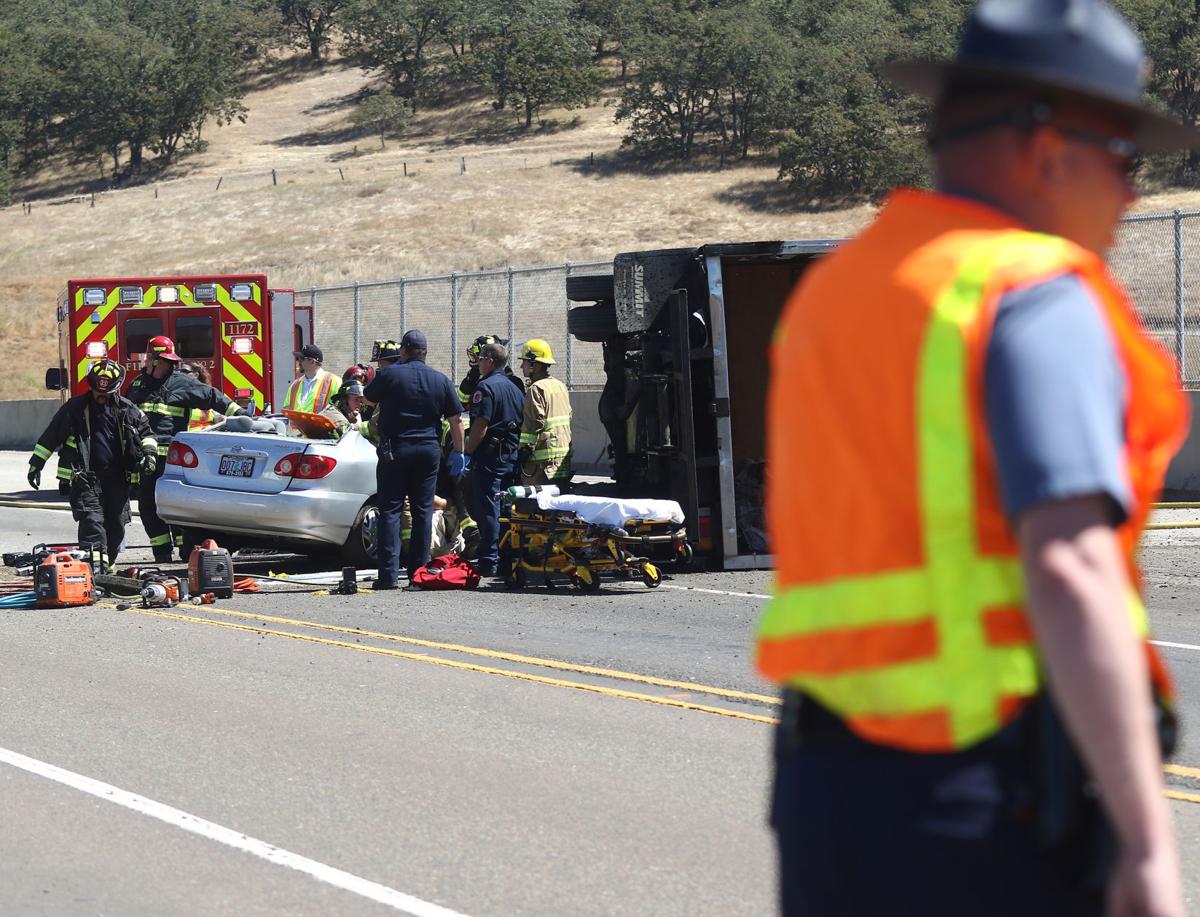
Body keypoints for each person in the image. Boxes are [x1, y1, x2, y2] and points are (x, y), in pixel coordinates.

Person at [756, 2, 1193, 915]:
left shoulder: (835, 292)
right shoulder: (1032, 292)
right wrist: (1149, 844)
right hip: (987, 803)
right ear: (1045, 151)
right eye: (1124, 158)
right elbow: (1069, 565)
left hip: (822, 790)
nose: (1131, 194)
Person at [27, 360, 158, 572]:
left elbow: (147, 434)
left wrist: (150, 455)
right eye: (97, 391)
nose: (100, 396)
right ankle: (93, 569)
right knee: (92, 522)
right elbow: (51, 436)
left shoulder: (127, 409)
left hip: (118, 479)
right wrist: (36, 464)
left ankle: (107, 565)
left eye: (105, 393)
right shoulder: (75, 408)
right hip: (86, 478)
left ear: (115, 388)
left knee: (115, 526)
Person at [127, 335, 245, 561]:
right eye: (165, 361)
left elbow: (213, 397)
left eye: (172, 361)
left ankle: (185, 552)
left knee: (177, 508)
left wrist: (241, 417)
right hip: (146, 460)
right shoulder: (137, 385)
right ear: (152, 360)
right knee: (148, 508)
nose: (170, 365)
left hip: (173, 462)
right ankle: (162, 554)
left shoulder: (183, 384)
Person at [363, 330, 466, 588]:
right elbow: (456, 420)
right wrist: (460, 452)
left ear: (404, 351)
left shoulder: (390, 374)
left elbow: (367, 397)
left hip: (395, 450)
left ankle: (387, 577)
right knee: (422, 512)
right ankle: (418, 576)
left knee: (391, 511)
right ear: (426, 353)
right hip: (428, 451)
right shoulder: (441, 380)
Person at [466, 342, 525, 576]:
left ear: (490, 360)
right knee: (508, 507)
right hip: (511, 454)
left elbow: (481, 425)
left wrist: (466, 452)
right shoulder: (514, 386)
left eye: (480, 358)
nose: (478, 362)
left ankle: (489, 560)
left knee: (489, 508)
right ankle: (509, 556)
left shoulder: (486, 387)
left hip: (491, 457)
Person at [517, 339, 573, 486]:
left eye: (525, 362)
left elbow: (534, 423)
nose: (521, 366)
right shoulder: (560, 386)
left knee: (536, 502)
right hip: (562, 455)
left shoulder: (536, 389)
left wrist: (524, 449)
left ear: (534, 366)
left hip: (543, 458)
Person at [457, 333, 525, 407]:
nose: (474, 360)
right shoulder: (473, 378)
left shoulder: (512, 381)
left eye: (475, 357)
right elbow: (462, 403)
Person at [282, 344, 342, 414]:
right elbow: (286, 410)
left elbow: (340, 410)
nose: (298, 362)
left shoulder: (334, 381)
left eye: (302, 359)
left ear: (313, 361)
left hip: (320, 425)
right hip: (297, 425)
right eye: (298, 359)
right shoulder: (294, 385)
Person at [183, 364, 217, 430]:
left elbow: (217, 415)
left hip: (207, 436)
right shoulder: (178, 393)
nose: (181, 374)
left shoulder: (207, 394)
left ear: (196, 375)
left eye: (185, 371)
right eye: (180, 372)